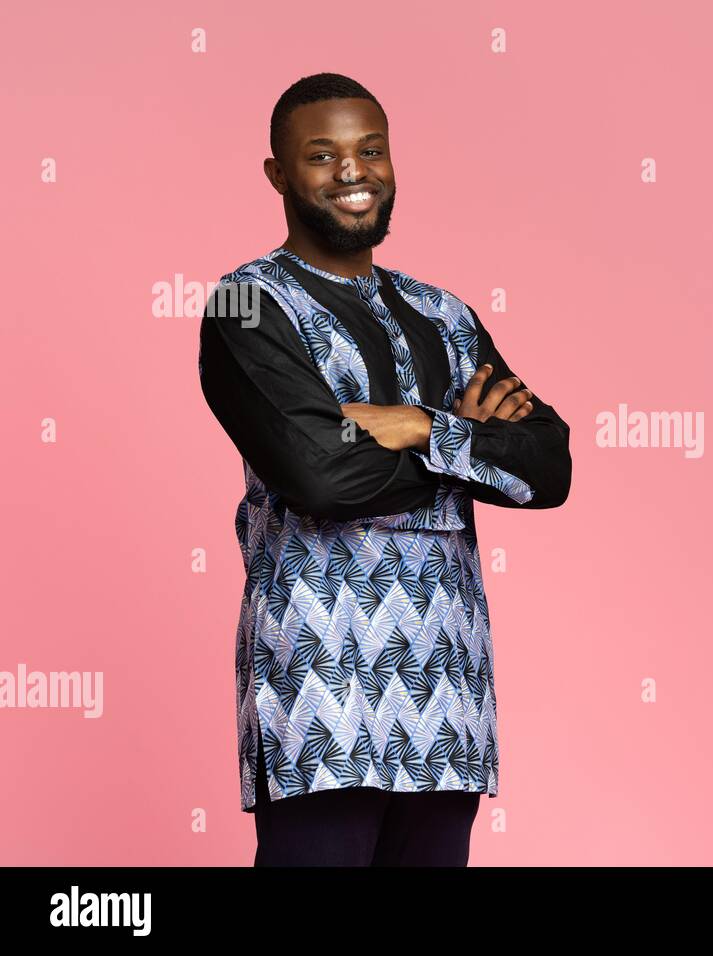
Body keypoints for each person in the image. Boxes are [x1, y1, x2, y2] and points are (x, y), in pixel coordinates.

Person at [197, 72, 572, 866]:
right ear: (277, 174)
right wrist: (468, 446)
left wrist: (413, 426)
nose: (352, 172)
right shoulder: (245, 304)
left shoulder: (447, 314)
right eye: (322, 155)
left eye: (370, 150)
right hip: (320, 690)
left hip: (449, 691)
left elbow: (548, 465)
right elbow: (319, 479)